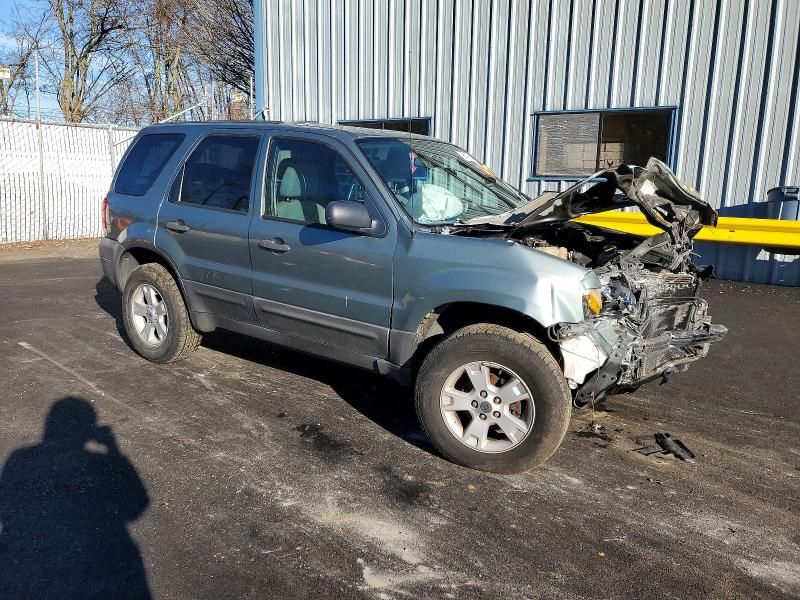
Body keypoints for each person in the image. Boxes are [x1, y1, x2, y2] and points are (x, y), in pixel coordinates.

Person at [0, 396, 151, 599]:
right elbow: (138, 503)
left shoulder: (20, 457)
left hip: (25, 562)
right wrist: (112, 449)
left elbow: (7, 502)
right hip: (94, 563)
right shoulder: (100, 463)